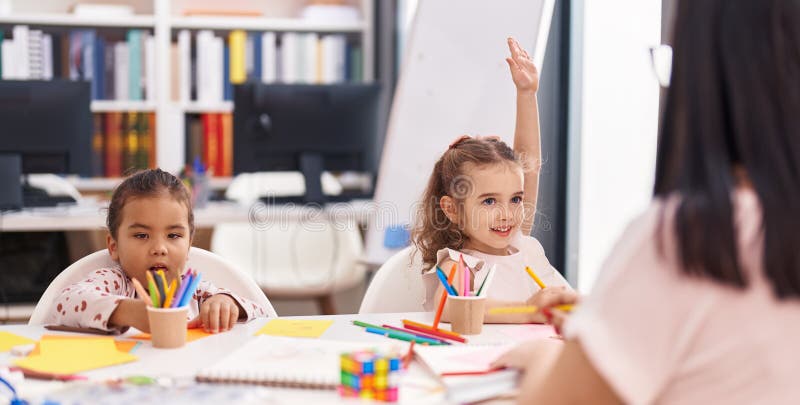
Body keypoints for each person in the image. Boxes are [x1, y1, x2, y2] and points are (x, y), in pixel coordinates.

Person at [493, 0, 800, 403]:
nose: (507, 212)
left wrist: (546, 357)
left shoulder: (687, 239)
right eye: (489, 200)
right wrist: (611, 315)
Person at [412, 37, 574, 323]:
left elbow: (529, 166)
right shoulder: (460, 265)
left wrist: (527, 94)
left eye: (516, 199)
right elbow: (450, 304)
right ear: (452, 209)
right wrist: (527, 311)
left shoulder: (521, 242)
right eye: (489, 201)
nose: (507, 213)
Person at [45, 169, 270, 333]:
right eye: (142, 235)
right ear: (114, 246)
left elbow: (264, 314)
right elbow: (63, 303)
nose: (159, 248)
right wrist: (130, 312)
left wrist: (227, 303)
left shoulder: (194, 290)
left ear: (189, 245)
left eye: (173, 236)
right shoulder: (115, 282)